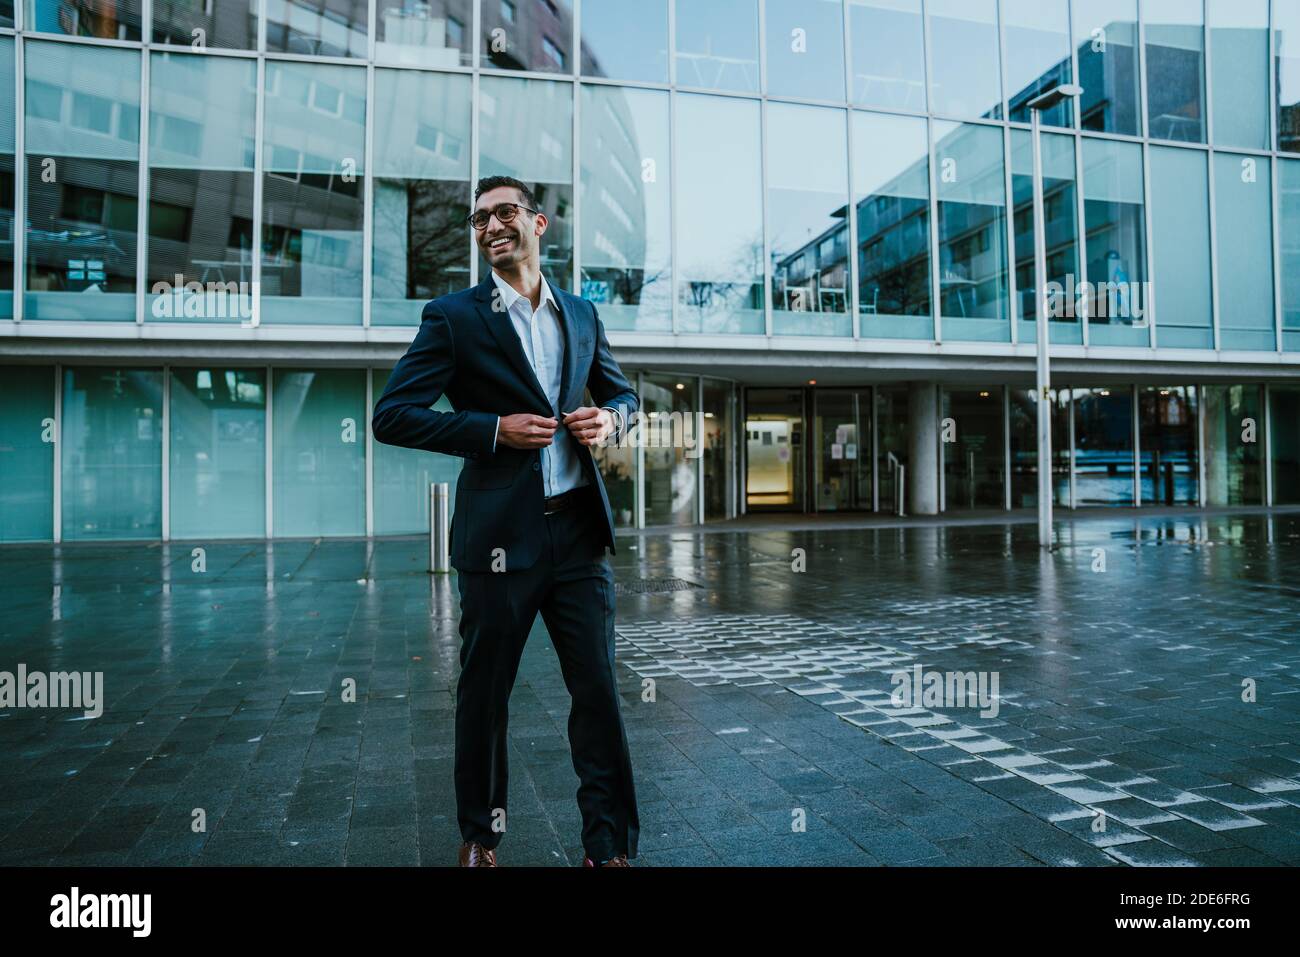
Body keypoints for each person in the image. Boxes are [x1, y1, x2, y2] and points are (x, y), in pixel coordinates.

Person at [372, 175, 640, 868]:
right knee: (485, 696)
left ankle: (606, 845)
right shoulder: (454, 317)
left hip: (578, 533)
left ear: (537, 223)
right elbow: (392, 416)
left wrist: (610, 417)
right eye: (479, 217)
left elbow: (624, 393)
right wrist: (491, 429)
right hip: (497, 541)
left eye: (504, 212)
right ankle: (480, 838)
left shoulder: (580, 313)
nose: (490, 225)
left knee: (600, 694)